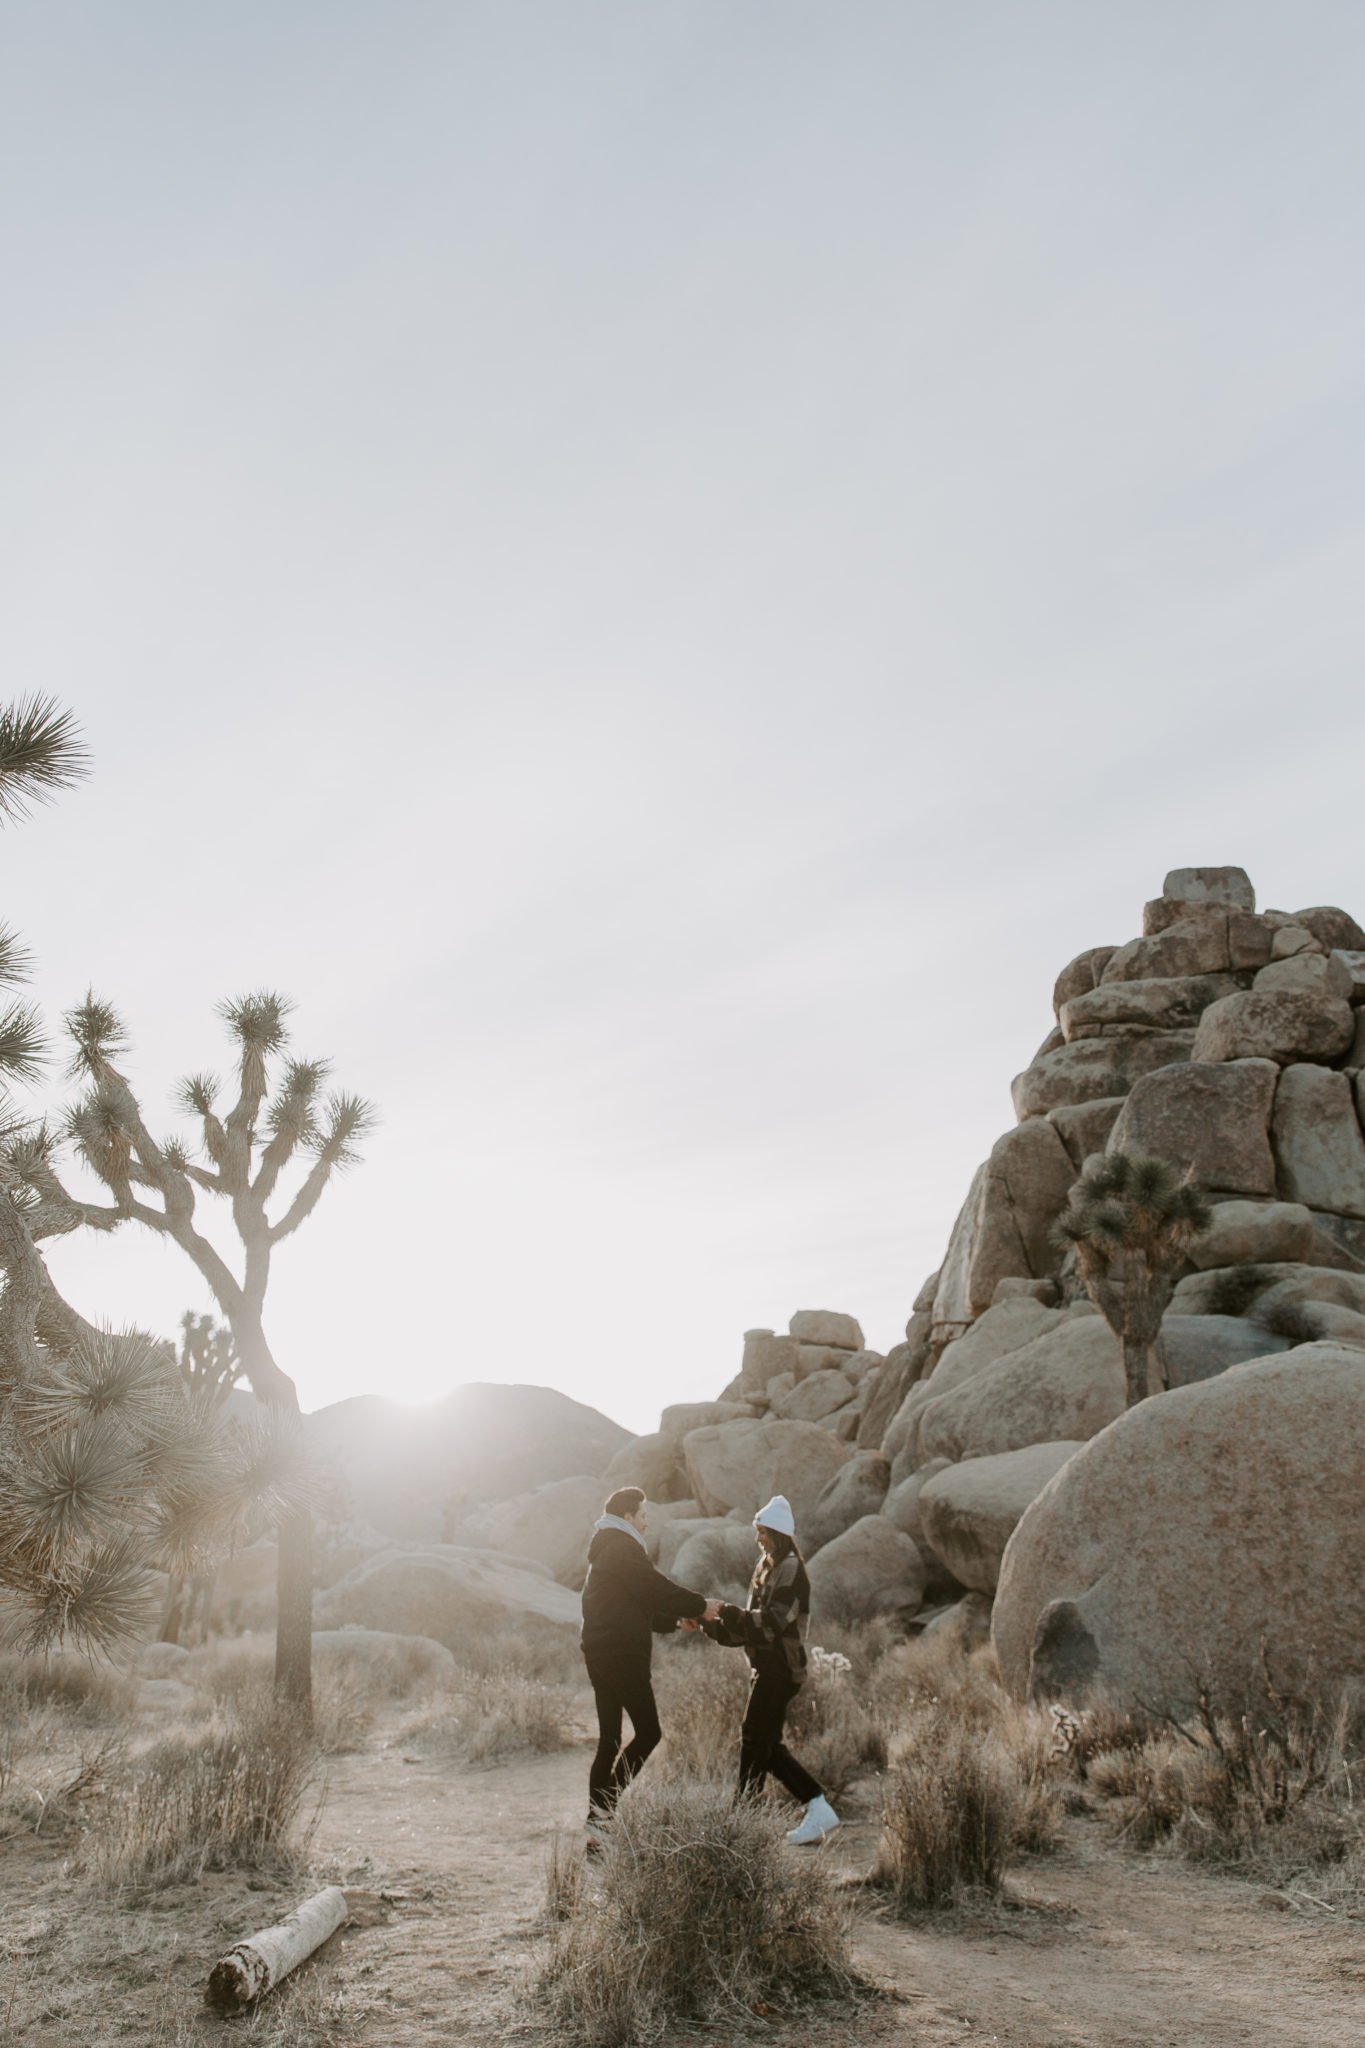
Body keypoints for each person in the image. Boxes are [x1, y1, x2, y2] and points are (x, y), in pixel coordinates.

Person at [580, 1485, 721, 1837]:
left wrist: (675, 1621)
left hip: (600, 1653)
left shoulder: (607, 1548)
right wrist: (699, 1605)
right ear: (628, 1516)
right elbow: (654, 1588)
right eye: (644, 1515)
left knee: (610, 1740)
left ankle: (598, 1827)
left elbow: (635, 1603)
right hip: (621, 1654)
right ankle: (605, 1810)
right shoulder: (622, 1547)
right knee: (649, 1732)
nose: (647, 1522)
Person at [703, 1494, 839, 1845]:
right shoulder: (767, 1566)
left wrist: (726, 1612)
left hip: (781, 1668)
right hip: (766, 1667)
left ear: (777, 1533)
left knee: (754, 1737)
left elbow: (771, 1624)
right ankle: (815, 1807)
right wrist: (708, 1624)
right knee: (765, 1743)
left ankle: (743, 1821)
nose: (757, 1538)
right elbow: (750, 1628)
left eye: (762, 1532)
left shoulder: (790, 1569)